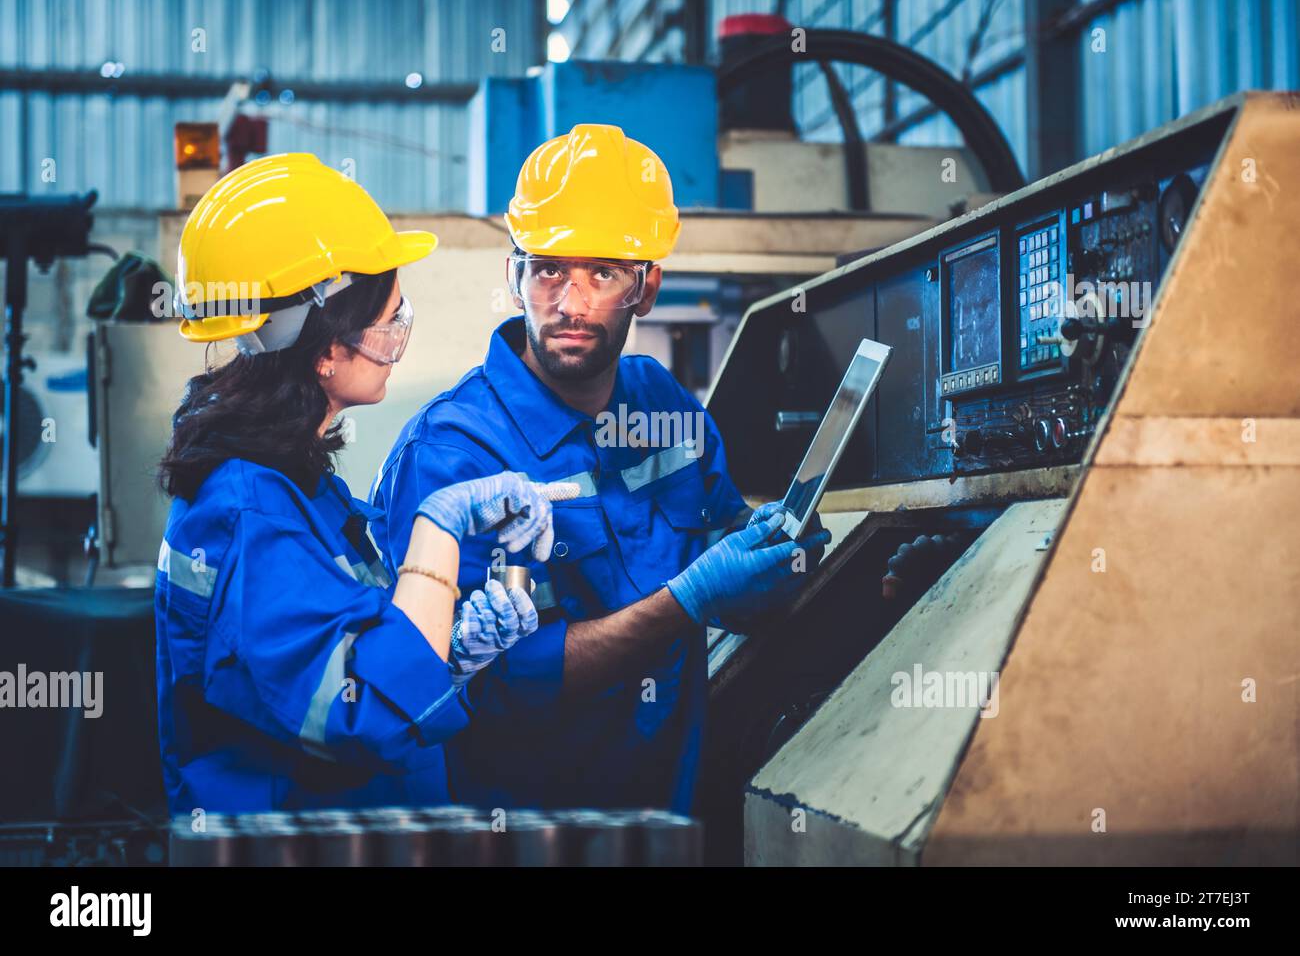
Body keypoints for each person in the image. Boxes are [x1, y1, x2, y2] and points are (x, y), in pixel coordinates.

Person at [370, 125, 829, 814]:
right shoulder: (451, 451)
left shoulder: (663, 404)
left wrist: (767, 547)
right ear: (514, 278)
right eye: (549, 268)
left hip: (670, 817)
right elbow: (479, 685)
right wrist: (689, 600)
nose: (571, 302)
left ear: (646, 288)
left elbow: (717, 529)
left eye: (604, 273)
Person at [154, 153, 572, 815]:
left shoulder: (293, 483)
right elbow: (365, 714)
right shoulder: (247, 512)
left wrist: (450, 654)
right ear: (326, 342)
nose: (399, 334)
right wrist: (437, 529)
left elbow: (347, 657)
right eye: (390, 319)